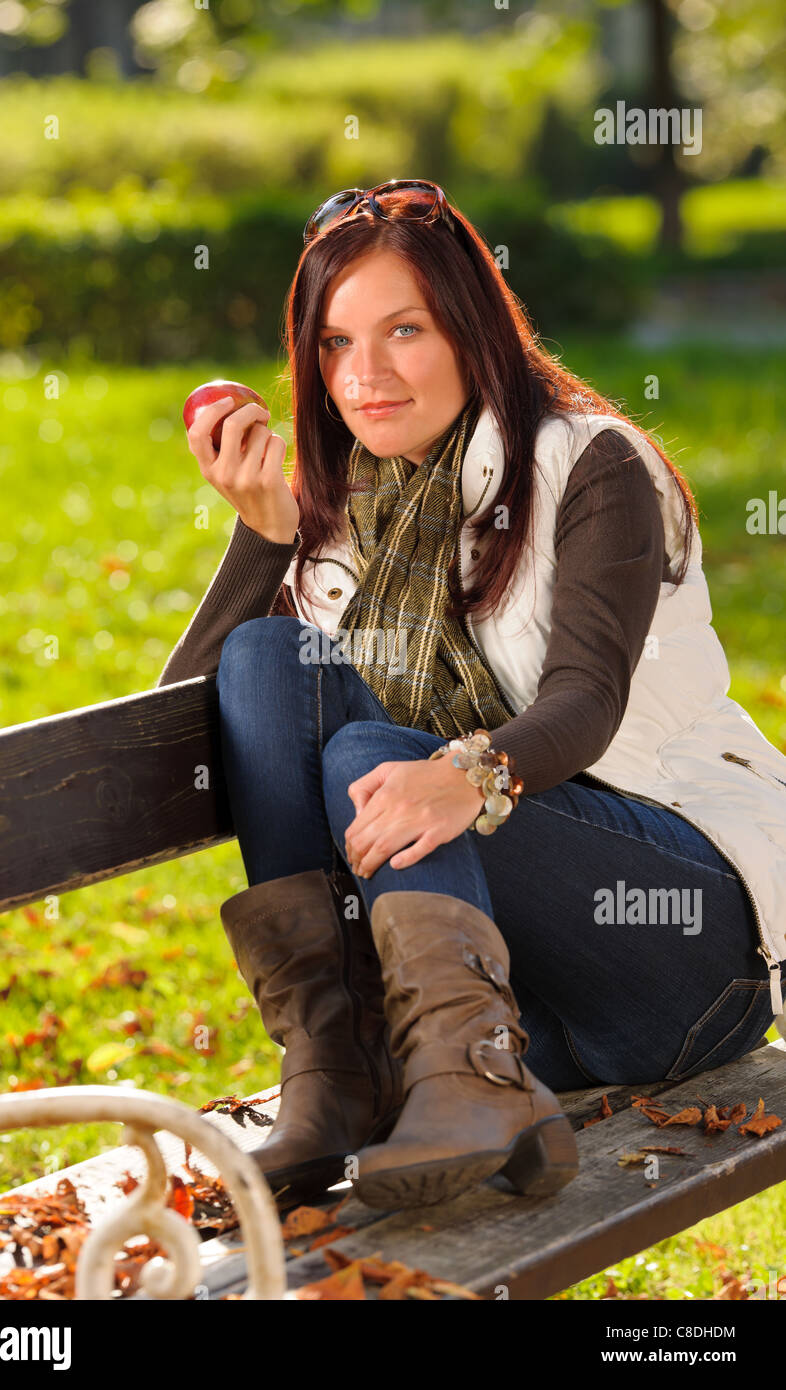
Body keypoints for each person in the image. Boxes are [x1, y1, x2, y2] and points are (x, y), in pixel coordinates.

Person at [158, 180, 786, 1211]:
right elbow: (182, 748)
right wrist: (264, 537)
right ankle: (340, 1069)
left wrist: (468, 775)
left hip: (678, 950)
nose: (364, 374)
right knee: (267, 662)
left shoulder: (587, 464)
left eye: (403, 329)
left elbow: (583, 700)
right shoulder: (338, 517)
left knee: (375, 759)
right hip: (509, 994)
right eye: (332, 344)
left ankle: (470, 1078)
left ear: (470, 328)